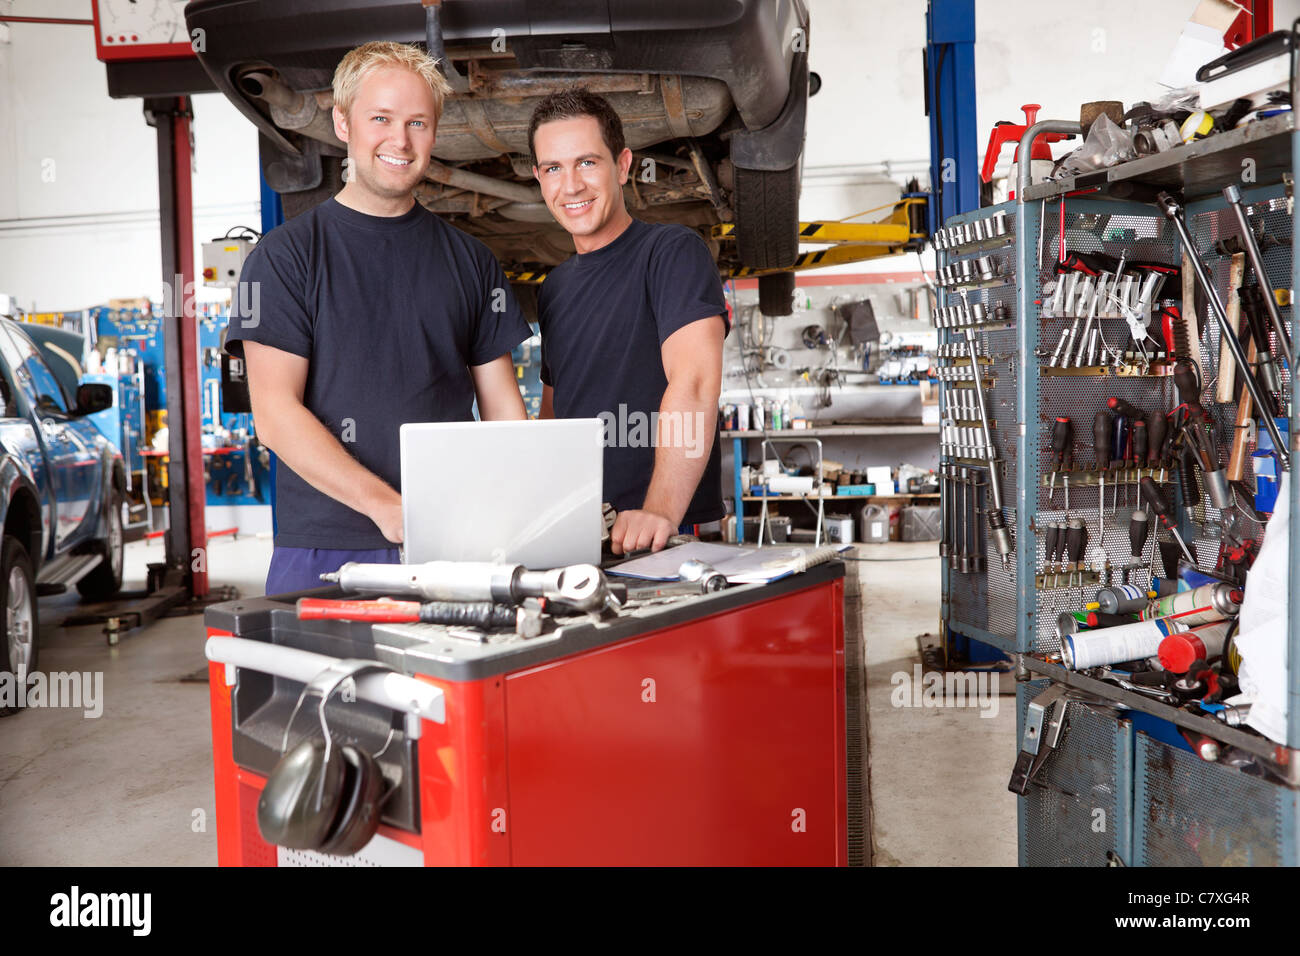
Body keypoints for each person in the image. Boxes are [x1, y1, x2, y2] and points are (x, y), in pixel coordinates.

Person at [227, 42, 531, 593]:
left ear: (435, 133)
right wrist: (388, 508)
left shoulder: (471, 260)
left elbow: (504, 411)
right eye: (381, 119)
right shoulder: (284, 257)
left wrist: (528, 516)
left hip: (451, 544)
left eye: (418, 122)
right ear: (343, 123)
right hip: (325, 548)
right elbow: (273, 414)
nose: (400, 139)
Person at [529, 88, 728, 555]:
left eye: (587, 162)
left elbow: (696, 382)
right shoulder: (554, 288)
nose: (571, 185)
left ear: (621, 165)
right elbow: (555, 409)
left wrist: (660, 510)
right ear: (539, 178)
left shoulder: (671, 253)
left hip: (664, 532)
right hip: (580, 533)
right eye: (554, 168)